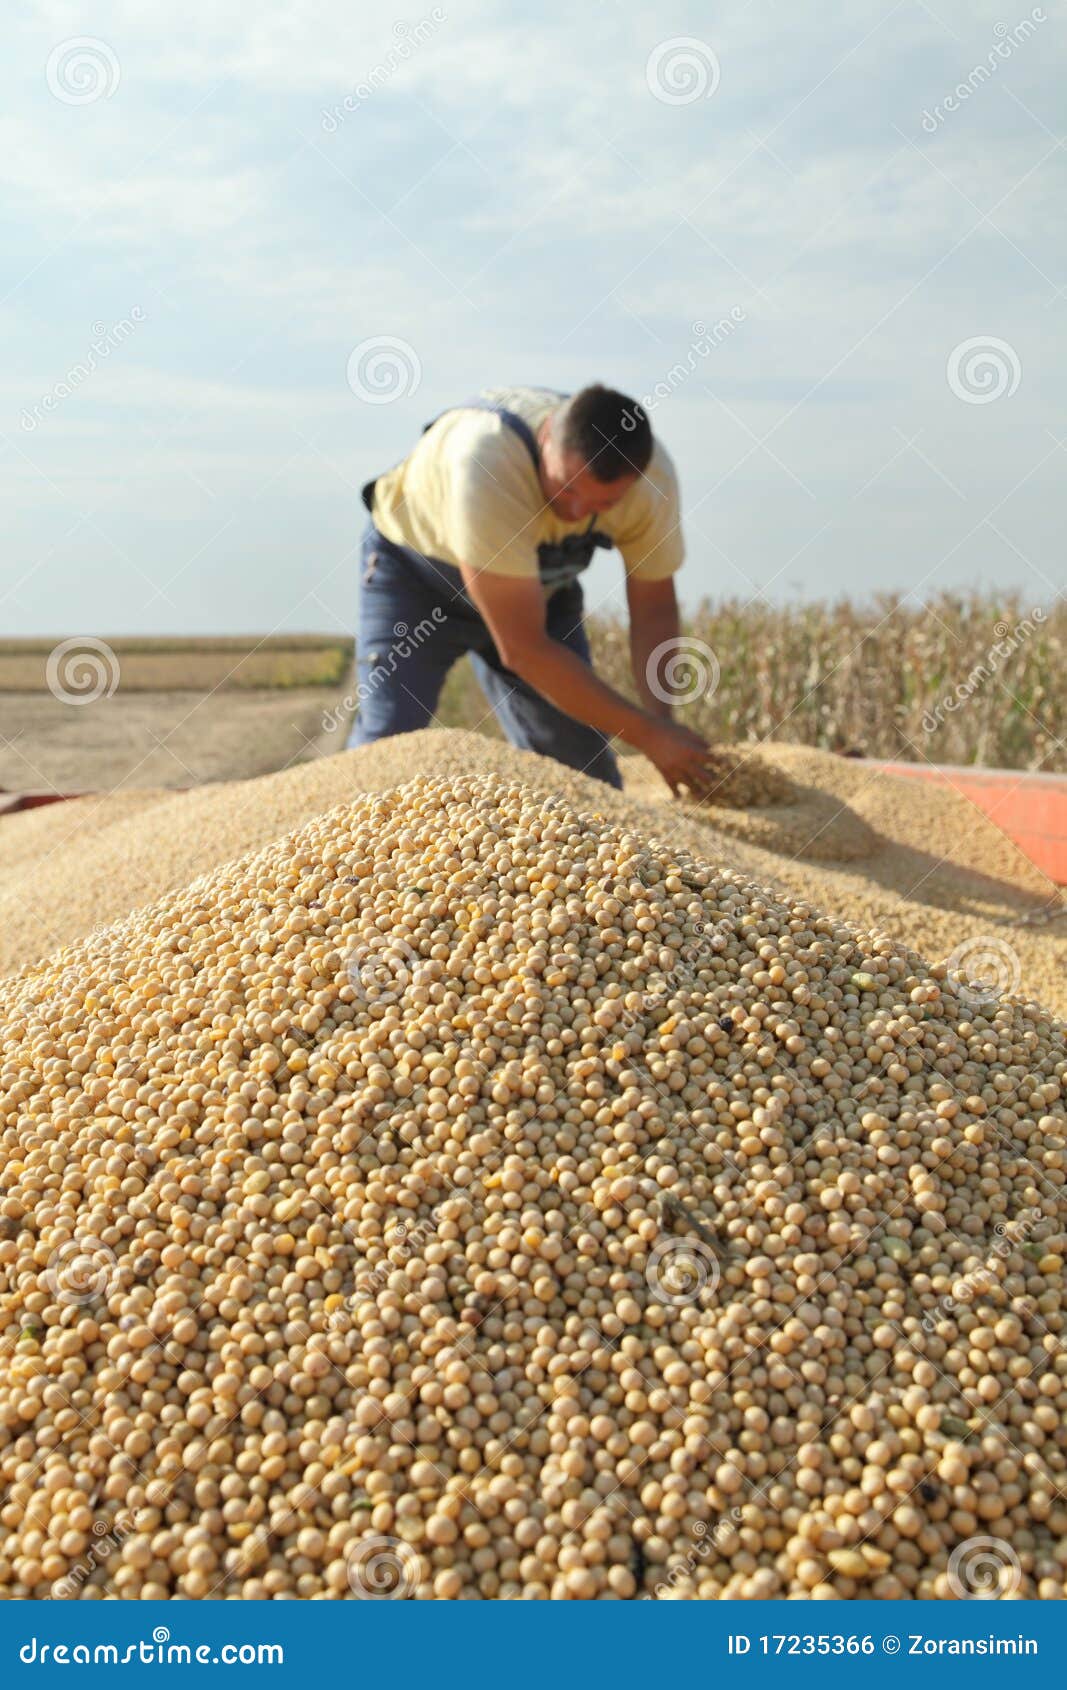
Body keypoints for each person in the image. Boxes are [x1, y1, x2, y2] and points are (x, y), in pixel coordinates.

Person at [347, 382, 718, 794]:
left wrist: (661, 723)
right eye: (567, 488)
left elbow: (653, 610)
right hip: (417, 579)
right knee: (385, 748)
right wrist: (648, 737)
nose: (576, 512)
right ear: (545, 440)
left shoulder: (651, 485)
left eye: (601, 506)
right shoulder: (484, 461)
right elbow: (523, 650)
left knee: (587, 782)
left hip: (538, 594)